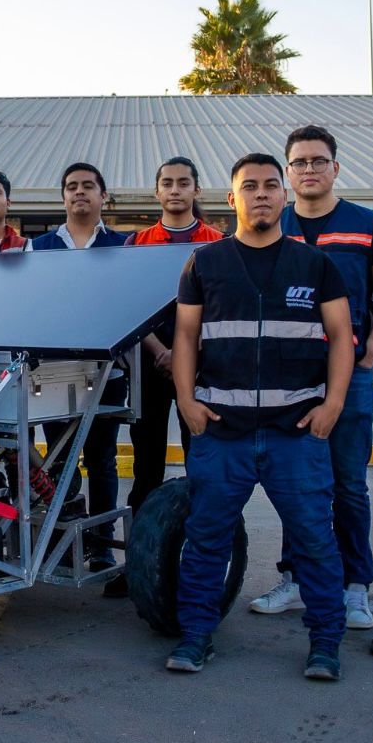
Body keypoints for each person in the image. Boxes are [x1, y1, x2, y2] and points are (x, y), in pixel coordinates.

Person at [167, 153, 352, 679]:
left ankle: (325, 644)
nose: (263, 194)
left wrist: (332, 404)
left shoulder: (315, 265)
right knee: (206, 539)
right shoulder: (204, 264)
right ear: (232, 200)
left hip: (295, 432)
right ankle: (196, 637)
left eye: (272, 185)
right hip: (221, 431)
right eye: (250, 186)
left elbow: (342, 337)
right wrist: (186, 400)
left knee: (315, 540)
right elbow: (185, 336)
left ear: (285, 196)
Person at [250, 126, 373, 630]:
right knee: (295, 484)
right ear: (287, 174)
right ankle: (297, 579)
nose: (309, 169)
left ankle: (355, 587)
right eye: (300, 162)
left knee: (349, 484)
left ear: (336, 167)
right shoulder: (269, 222)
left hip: (347, 372)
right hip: (286, 376)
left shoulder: (366, 224)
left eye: (318, 161)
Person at [32, 162, 132, 590]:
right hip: (54, 375)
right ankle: (59, 544)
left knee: (103, 461)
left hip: (107, 372)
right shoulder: (39, 247)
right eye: (71, 187)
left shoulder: (123, 245)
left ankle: (102, 544)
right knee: (58, 461)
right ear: (63, 197)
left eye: (88, 186)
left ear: (103, 196)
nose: (79, 193)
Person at [125, 157, 226, 517]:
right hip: (151, 365)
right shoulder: (137, 243)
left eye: (183, 183)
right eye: (167, 183)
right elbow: (130, 307)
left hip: (203, 368)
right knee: (146, 467)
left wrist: (186, 352)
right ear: (157, 191)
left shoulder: (218, 243)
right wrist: (161, 352)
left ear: (196, 189)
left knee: (202, 462)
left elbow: (223, 310)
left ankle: (200, 556)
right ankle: (140, 563)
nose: (175, 189)